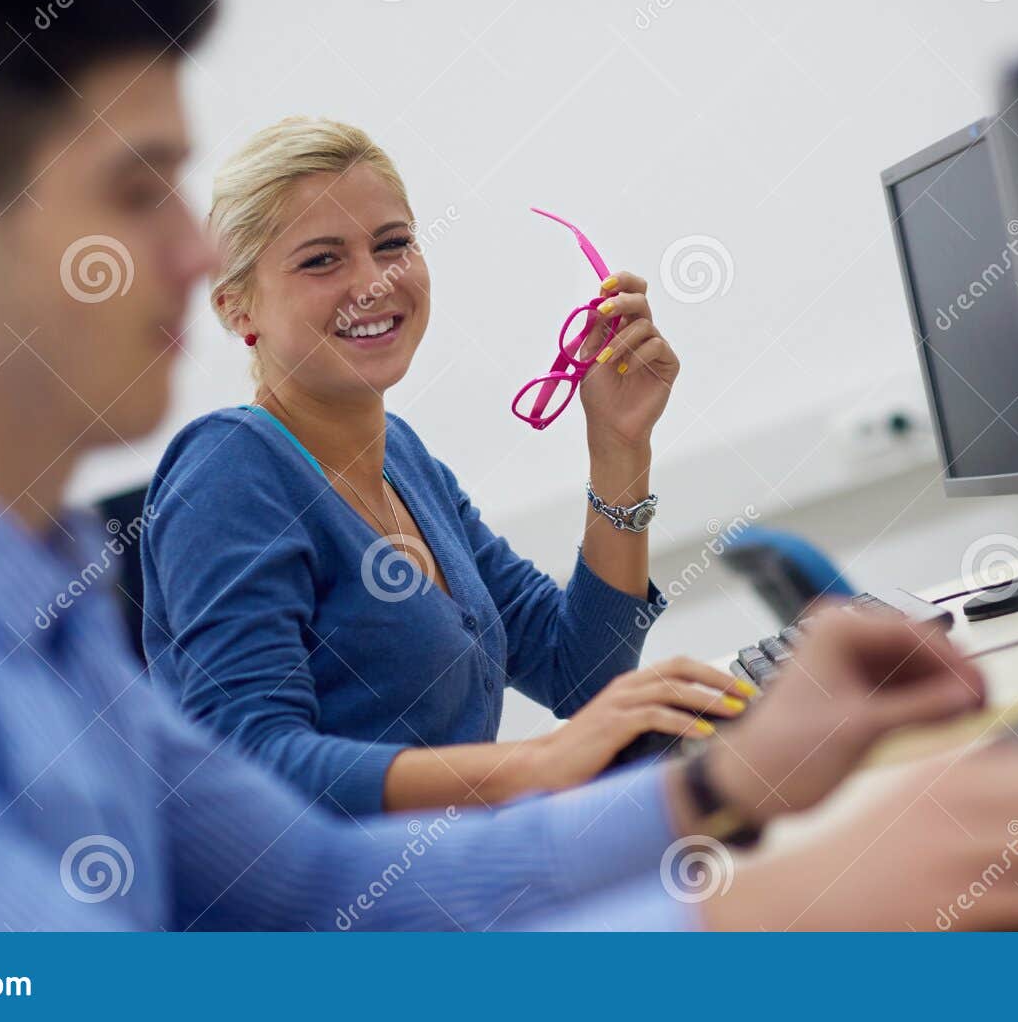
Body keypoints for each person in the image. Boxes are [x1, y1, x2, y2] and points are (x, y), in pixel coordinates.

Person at [0, 0, 1018, 932]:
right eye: (137, 192)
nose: (181, 250)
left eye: (392, 241)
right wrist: (760, 913)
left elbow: (317, 878)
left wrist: (726, 785)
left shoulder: (24, 575)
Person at [139, 116, 744, 815]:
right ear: (237, 307)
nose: (373, 282)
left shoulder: (403, 458)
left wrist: (619, 446)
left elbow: (580, 673)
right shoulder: (227, 469)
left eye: (393, 245)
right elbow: (255, 766)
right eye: (322, 260)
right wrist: (529, 766)